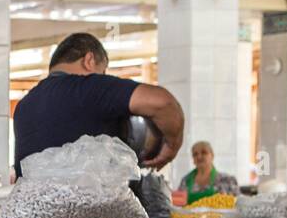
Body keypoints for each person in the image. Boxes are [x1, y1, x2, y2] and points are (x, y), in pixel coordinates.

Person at [12, 32, 183, 175]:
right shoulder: (89, 87)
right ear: (89, 60)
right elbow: (163, 103)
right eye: (103, 71)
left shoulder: (24, 106)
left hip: (32, 211)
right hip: (86, 212)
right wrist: (171, 146)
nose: (102, 76)